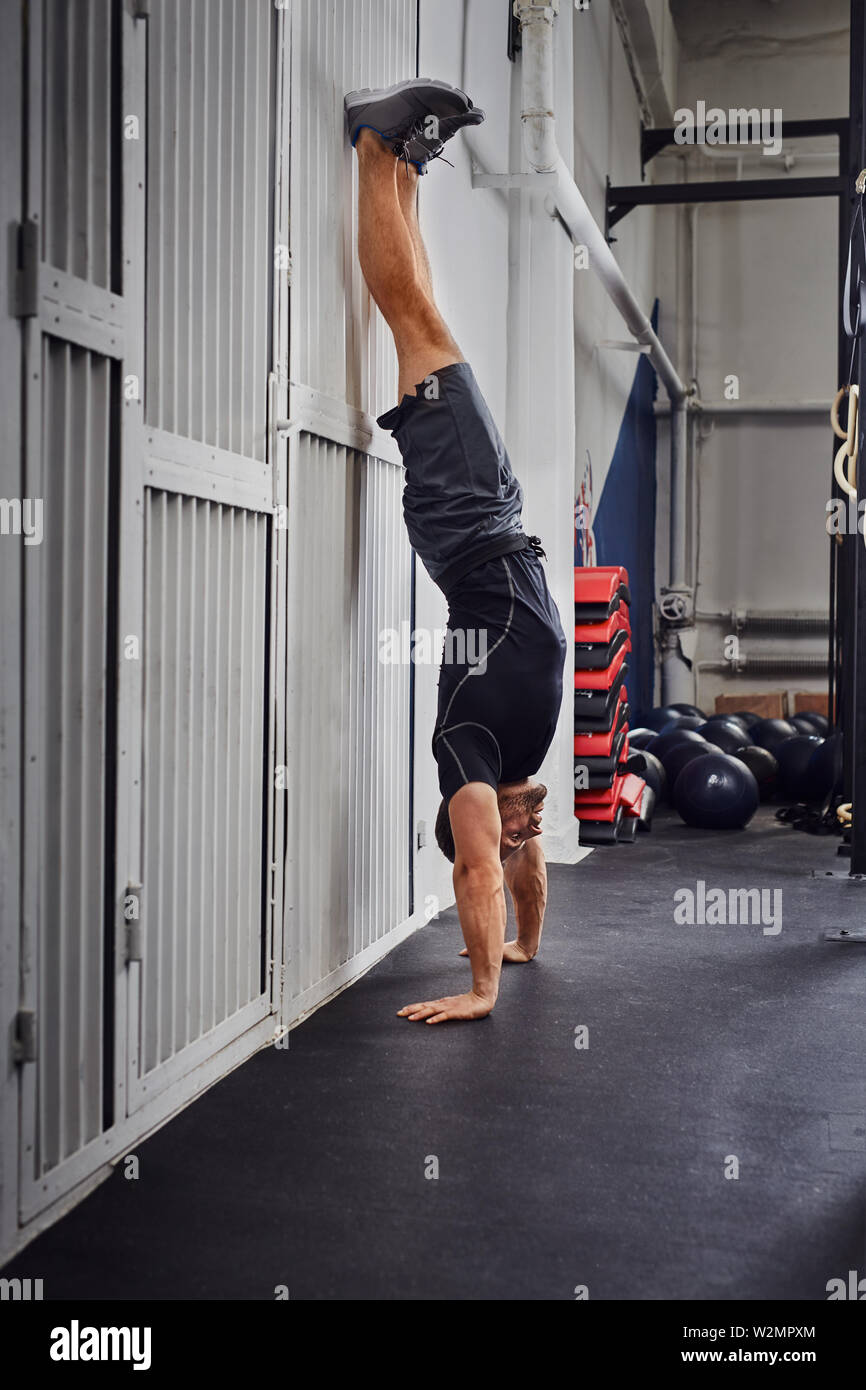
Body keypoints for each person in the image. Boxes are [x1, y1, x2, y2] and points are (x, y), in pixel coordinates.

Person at [345, 78, 567, 1023]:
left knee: (417, 325)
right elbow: (520, 876)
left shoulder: (467, 762)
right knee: (429, 323)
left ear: (470, 815)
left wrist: (482, 988)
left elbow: (478, 863)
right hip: (491, 519)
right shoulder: (508, 772)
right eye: (525, 832)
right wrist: (523, 944)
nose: (528, 830)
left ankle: (372, 150)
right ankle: (408, 163)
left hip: (468, 522)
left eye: (513, 829)